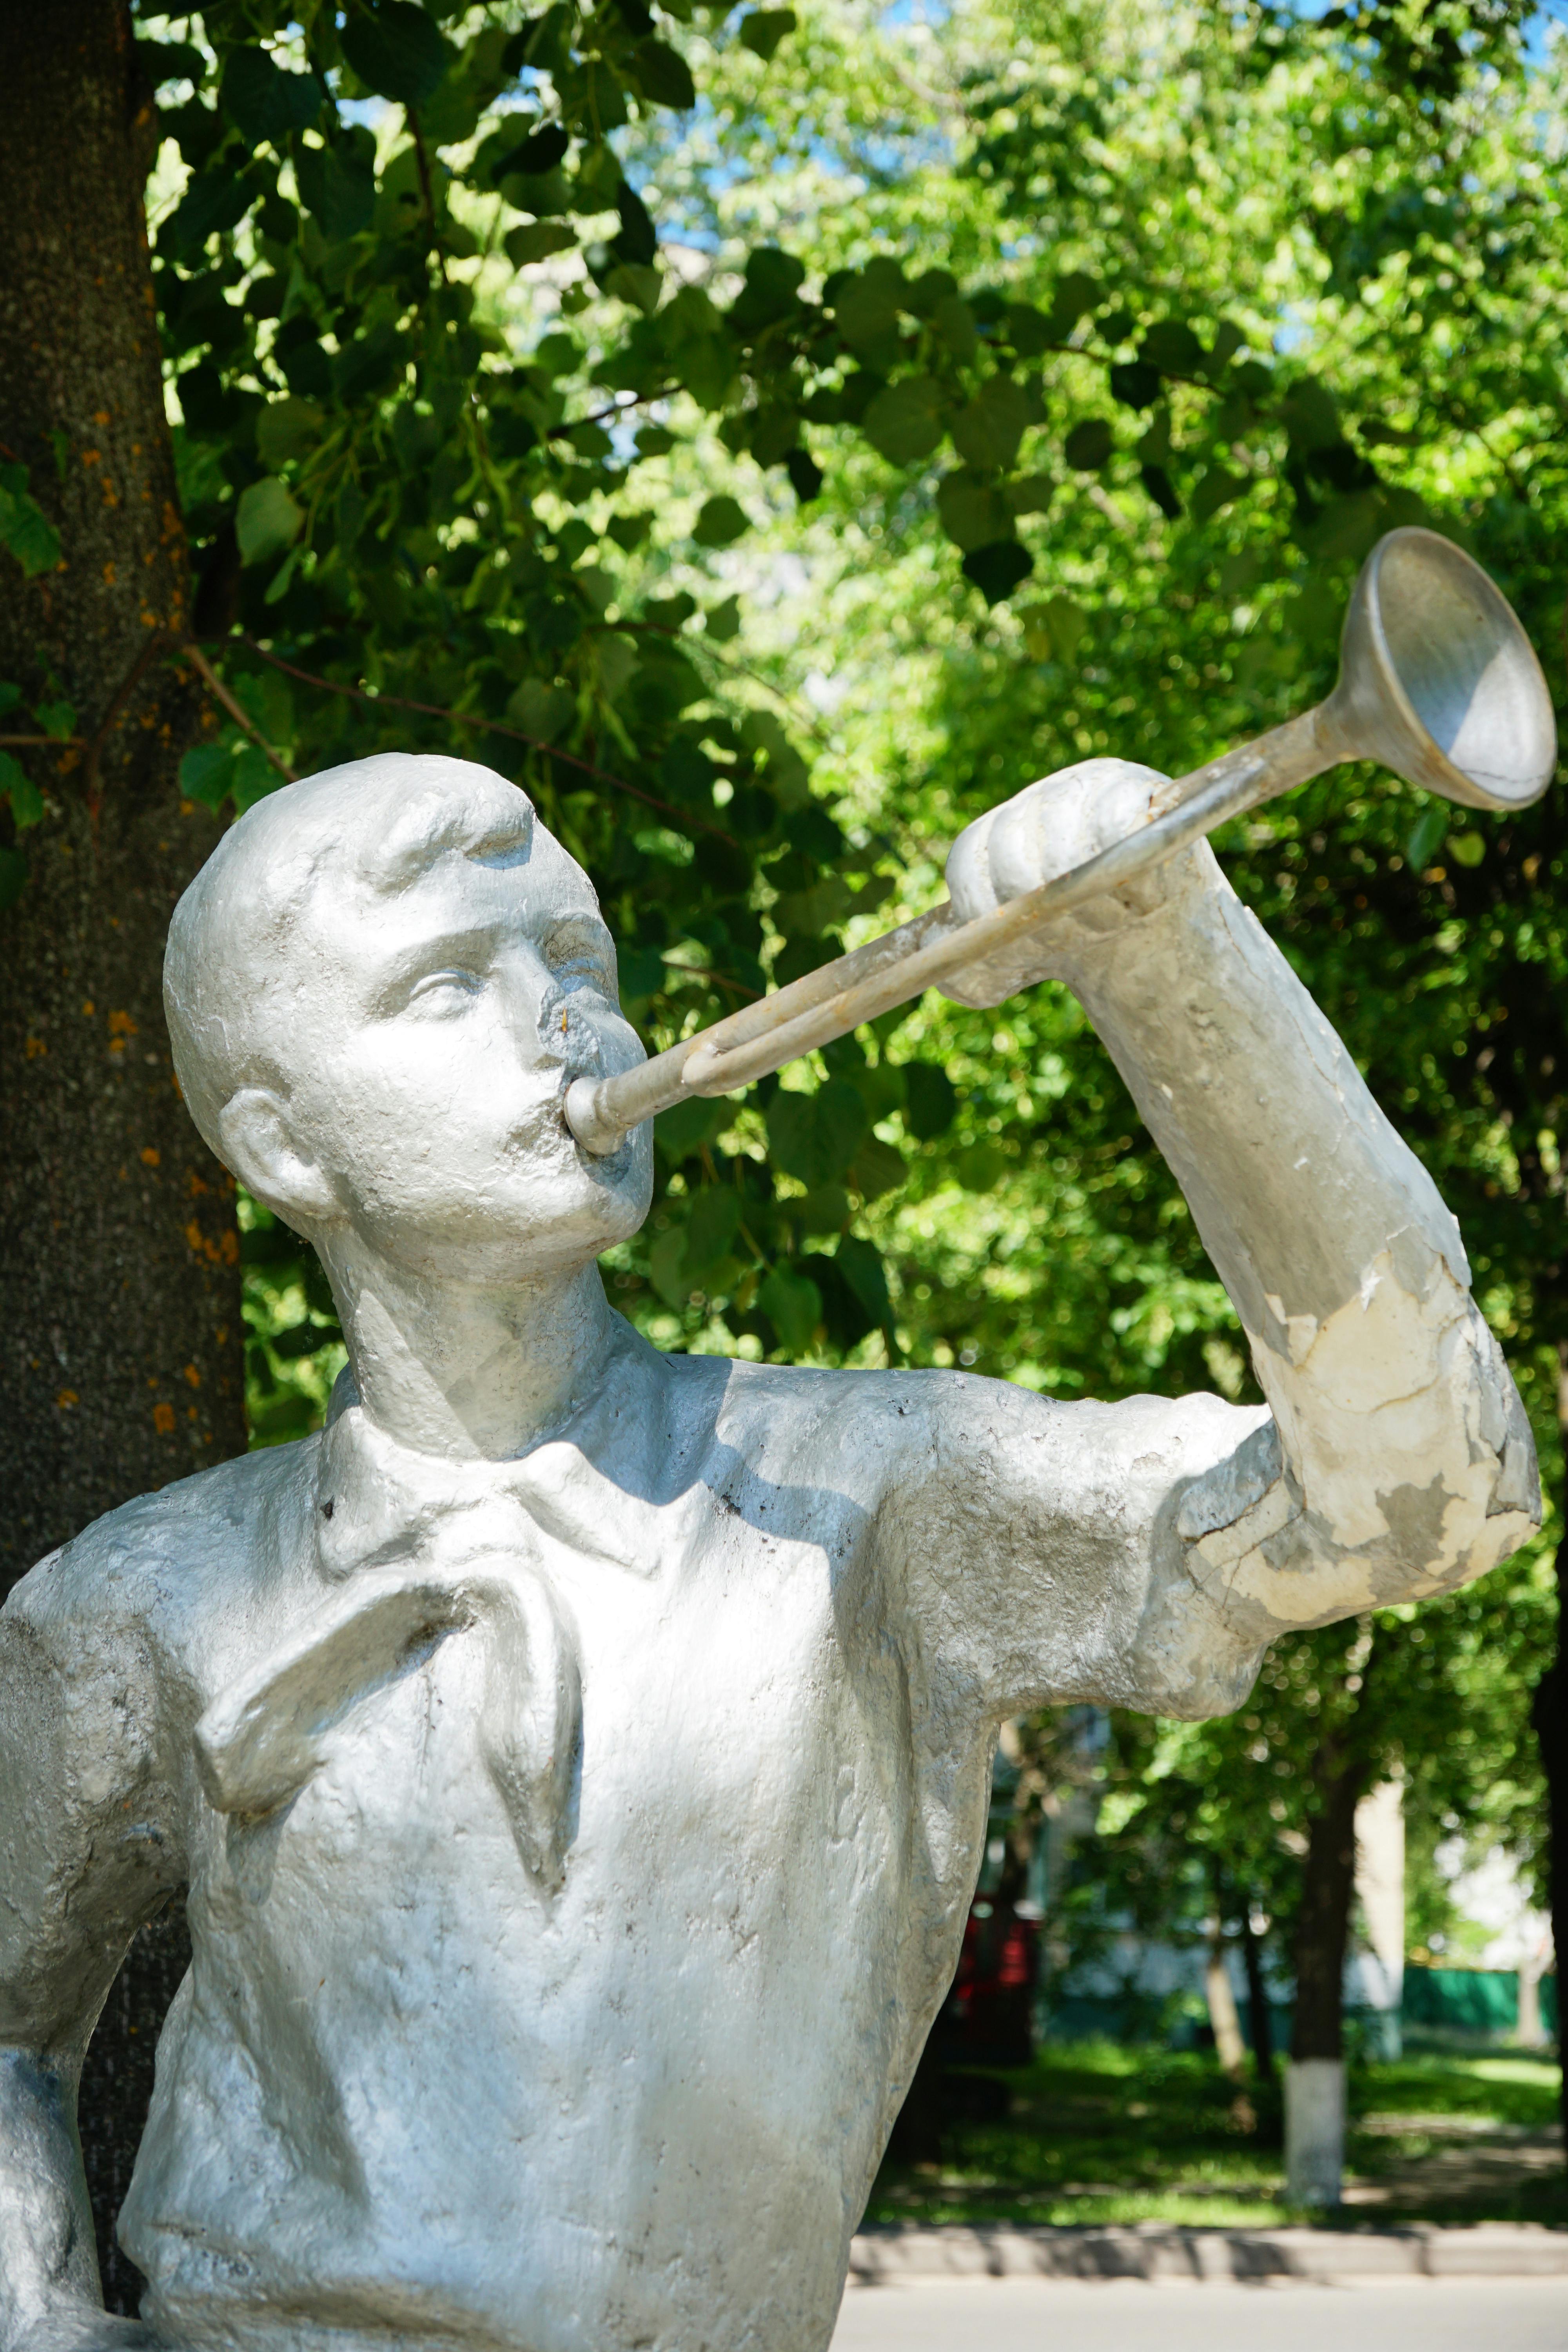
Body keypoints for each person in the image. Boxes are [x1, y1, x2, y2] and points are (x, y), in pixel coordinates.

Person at [0, 752, 1536, 2352]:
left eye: (576, 958)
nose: (564, 1018)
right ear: (283, 1145)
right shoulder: (144, 1600)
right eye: (450, 984)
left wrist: (1167, 952)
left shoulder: (869, 1497)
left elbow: (1427, 1496)